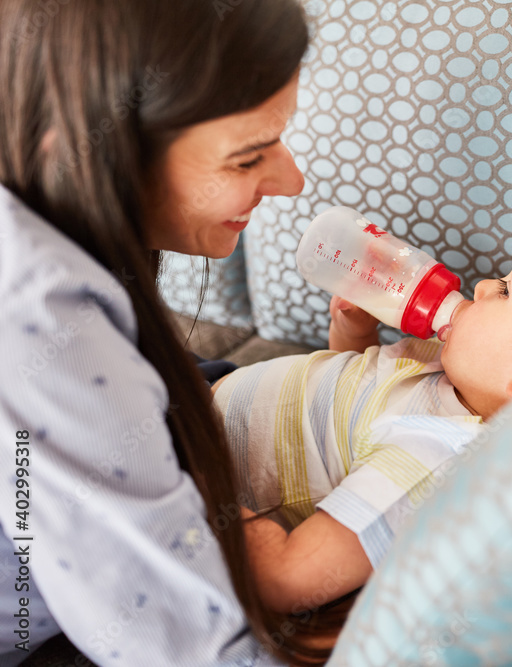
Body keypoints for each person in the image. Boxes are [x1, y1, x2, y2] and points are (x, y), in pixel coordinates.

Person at [0, 0, 343, 665]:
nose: (291, 181)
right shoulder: (41, 316)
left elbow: (143, 384)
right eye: (246, 159)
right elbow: (180, 643)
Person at [209, 206, 512, 615]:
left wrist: (194, 485)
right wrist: (355, 333)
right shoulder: (458, 373)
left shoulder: (433, 456)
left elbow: (287, 579)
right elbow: (350, 398)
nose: (487, 284)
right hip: (212, 382)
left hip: (197, 453)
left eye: (510, 288)